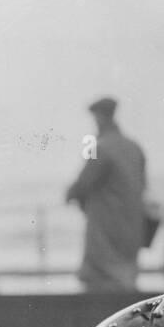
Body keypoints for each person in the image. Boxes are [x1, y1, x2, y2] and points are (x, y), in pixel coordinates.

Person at [64, 96, 147, 291]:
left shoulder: (99, 148)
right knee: (125, 278)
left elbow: (81, 185)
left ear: (100, 118)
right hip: (132, 227)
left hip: (105, 229)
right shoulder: (134, 147)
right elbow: (143, 185)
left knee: (100, 280)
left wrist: (70, 194)